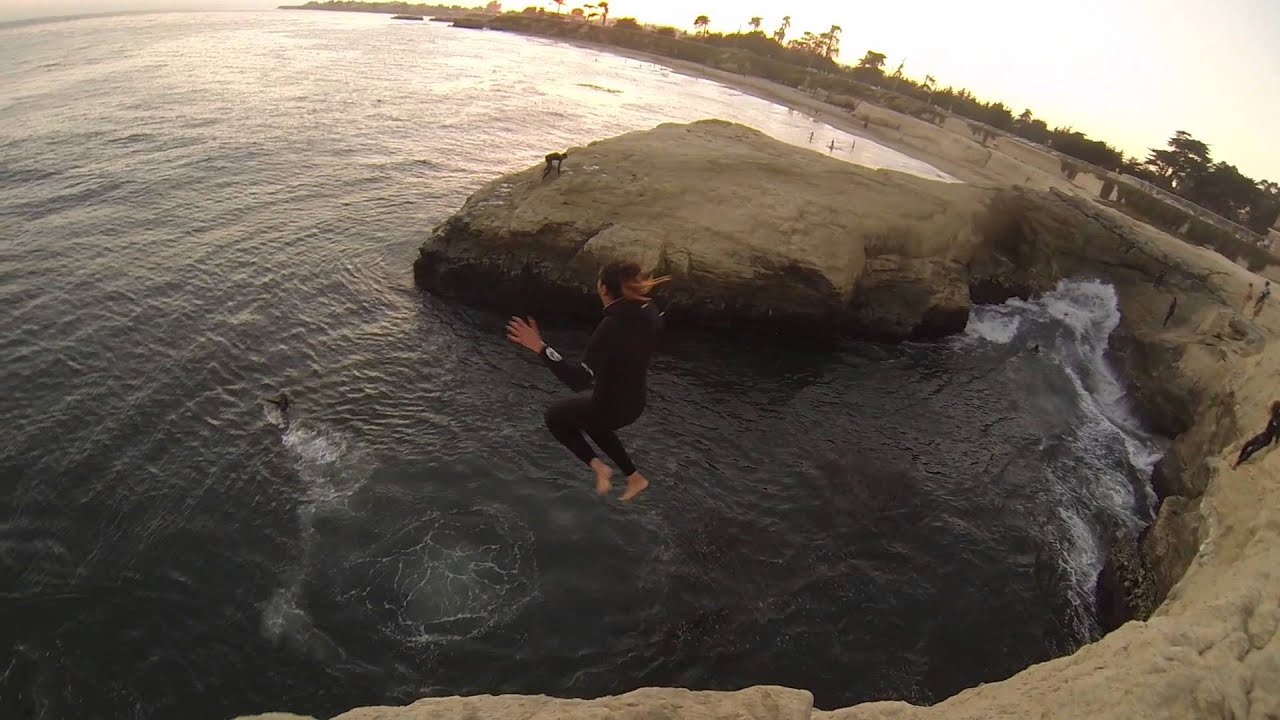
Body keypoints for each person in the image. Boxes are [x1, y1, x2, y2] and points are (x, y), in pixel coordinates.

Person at [506, 261, 667, 501]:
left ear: (602, 288)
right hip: (635, 403)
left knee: (555, 417)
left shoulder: (612, 326)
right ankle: (634, 477)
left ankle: (599, 467)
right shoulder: (649, 310)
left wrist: (539, 346)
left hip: (611, 409)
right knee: (591, 418)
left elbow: (578, 380)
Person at [1232, 400, 1280, 469]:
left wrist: (1276, 441)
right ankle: (1239, 458)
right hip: (1263, 434)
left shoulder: (1277, 420)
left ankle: (1237, 464)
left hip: (1266, 440)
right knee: (1247, 444)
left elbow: (1277, 432)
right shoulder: (1274, 416)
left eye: (1272, 408)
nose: (1270, 409)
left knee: (1251, 450)